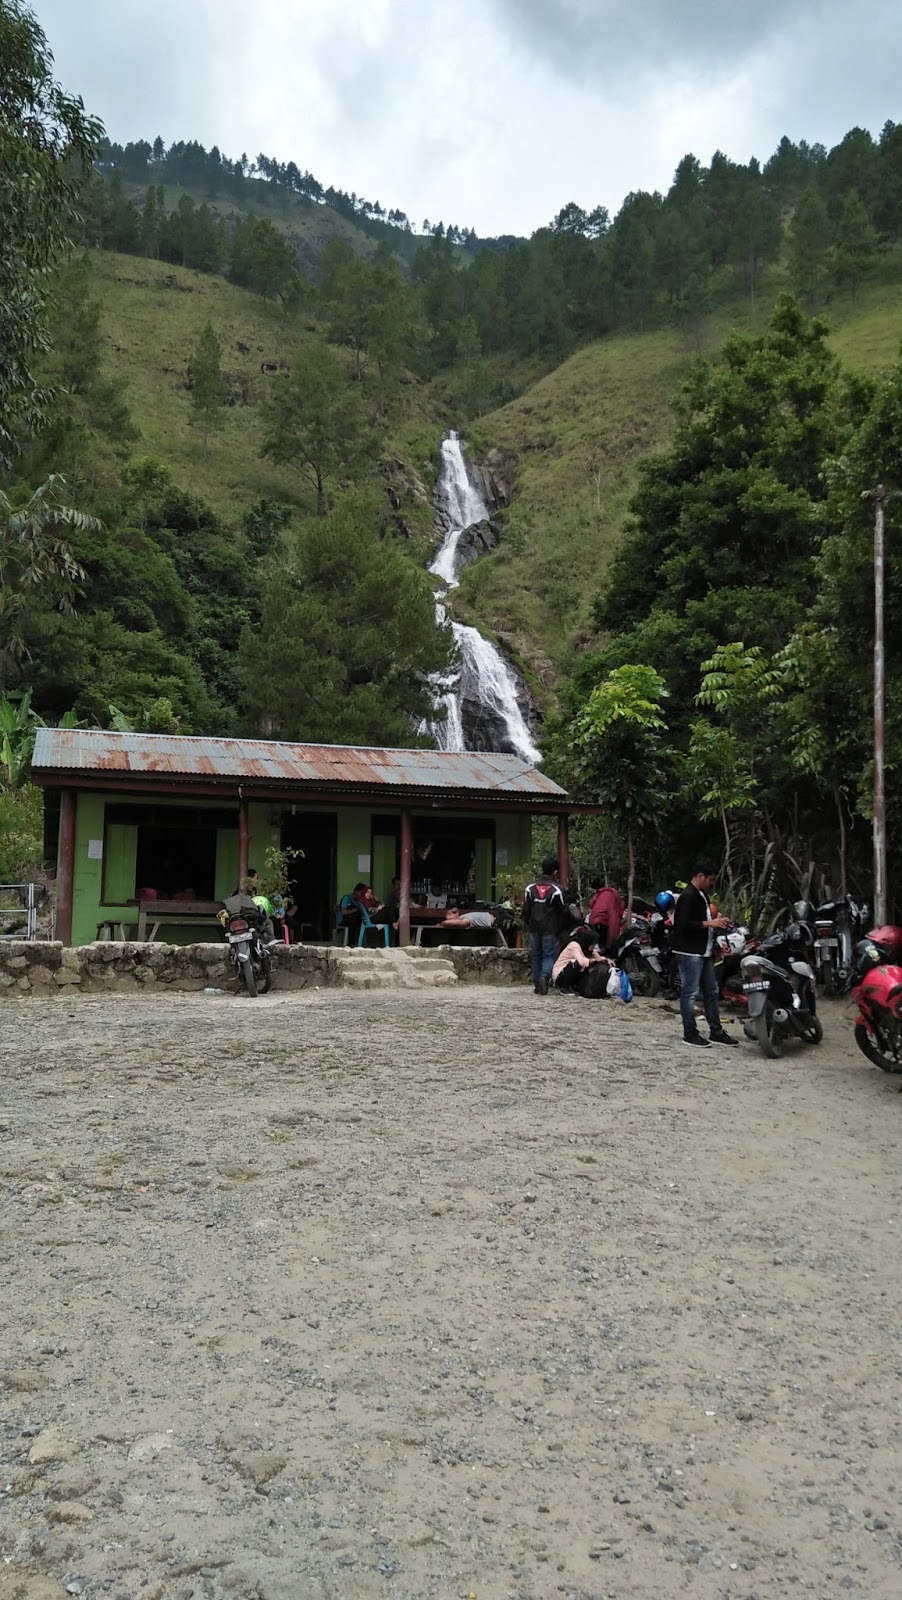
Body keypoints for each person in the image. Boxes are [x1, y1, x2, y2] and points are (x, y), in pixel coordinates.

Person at [672, 862, 738, 1049]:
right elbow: (682, 924)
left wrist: (717, 924)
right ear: (700, 876)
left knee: (712, 991)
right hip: (689, 952)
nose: (711, 883)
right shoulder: (688, 896)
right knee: (690, 992)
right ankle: (690, 1033)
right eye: (709, 879)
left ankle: (716, 1030)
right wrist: (710, 924)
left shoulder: (701, 895)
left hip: (704, 950)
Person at [523, 856, 571, 995]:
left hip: (533, 927)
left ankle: (537, 983)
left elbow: (526, 910)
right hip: (550, 927)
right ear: (555, 872)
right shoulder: (557, 889)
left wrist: (528, 923)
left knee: (536, 955)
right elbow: (563, 910)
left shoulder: (530, 888)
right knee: (548, 955)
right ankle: (545, 977)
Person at [551, 925, 606, 994]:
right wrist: (594, 960)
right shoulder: (574, 945)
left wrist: (606, 960)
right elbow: (581, 961)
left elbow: (599, 958)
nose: (594, 946)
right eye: (593, 944)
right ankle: (564, 987)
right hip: (560, 974)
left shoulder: (587, 948)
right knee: (576, 964)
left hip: (570, 973)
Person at [587, 877, 626, 953]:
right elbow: (617, 909)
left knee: (600, 943)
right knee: (606, 944)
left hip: (596, 920)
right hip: (604, 920)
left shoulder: (601, 894)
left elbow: (591, 903)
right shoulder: (611, 894)